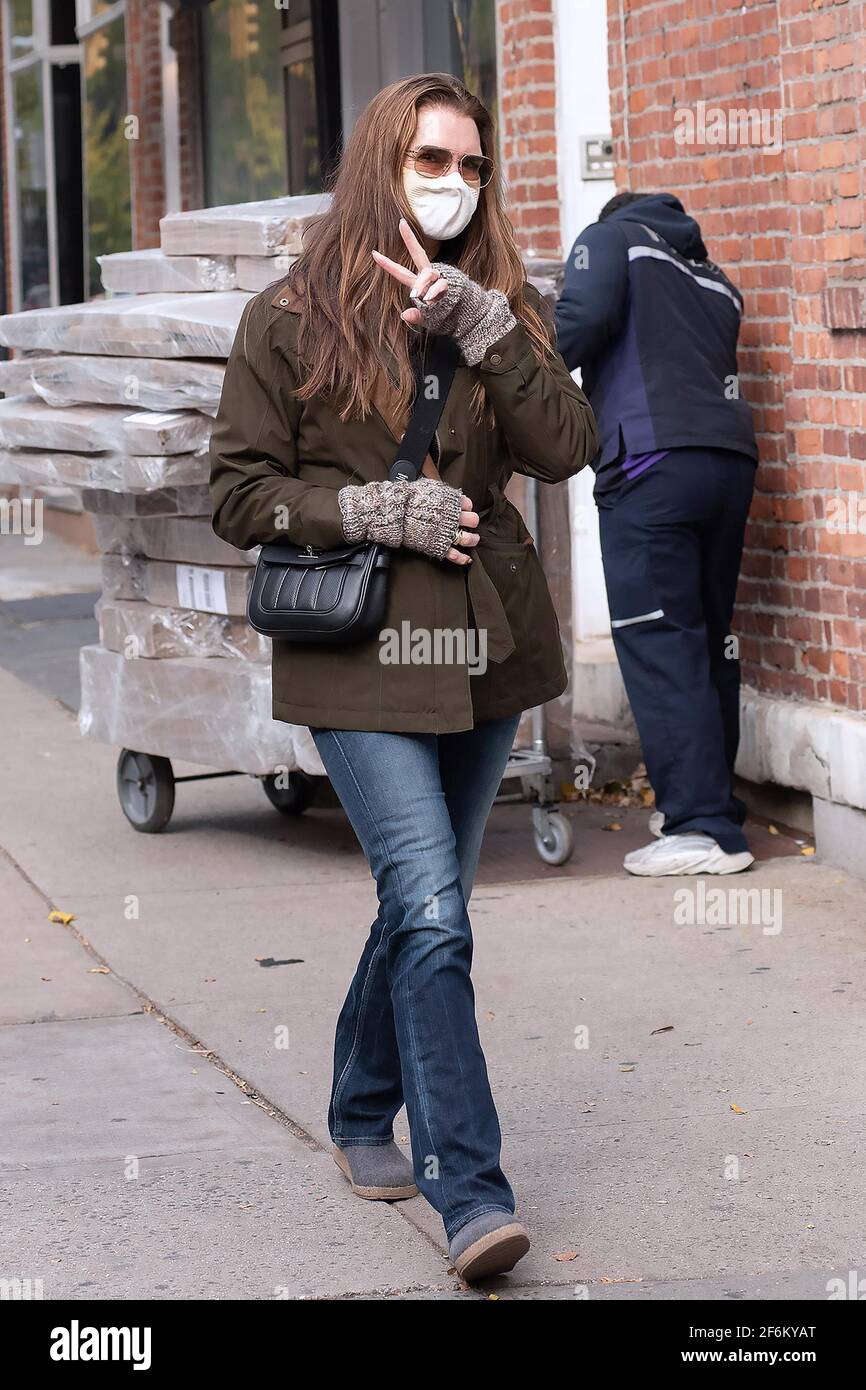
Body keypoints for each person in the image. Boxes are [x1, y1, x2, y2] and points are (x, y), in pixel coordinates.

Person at [209, 74, 597, 1281]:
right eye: (433, 159)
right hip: (361, 655)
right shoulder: (289, 313)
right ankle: (470, 1190)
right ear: (383, 162)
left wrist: (487, 329)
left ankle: (355, 1103)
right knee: (430, 904)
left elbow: (569, 444)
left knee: (425, 908)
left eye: (472, 166)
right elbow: (235, 492)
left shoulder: (501, 304)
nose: (453, 183)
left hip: (483, 648)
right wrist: (368, 509)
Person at [555, 191, 758, 877]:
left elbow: (576, 322)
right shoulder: (714, 278)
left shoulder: (611, 239)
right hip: (728, 463)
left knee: (657, 636)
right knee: (703, 638)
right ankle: (707, 809)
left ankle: (702, 828)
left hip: (651, 465)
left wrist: (499, 364)